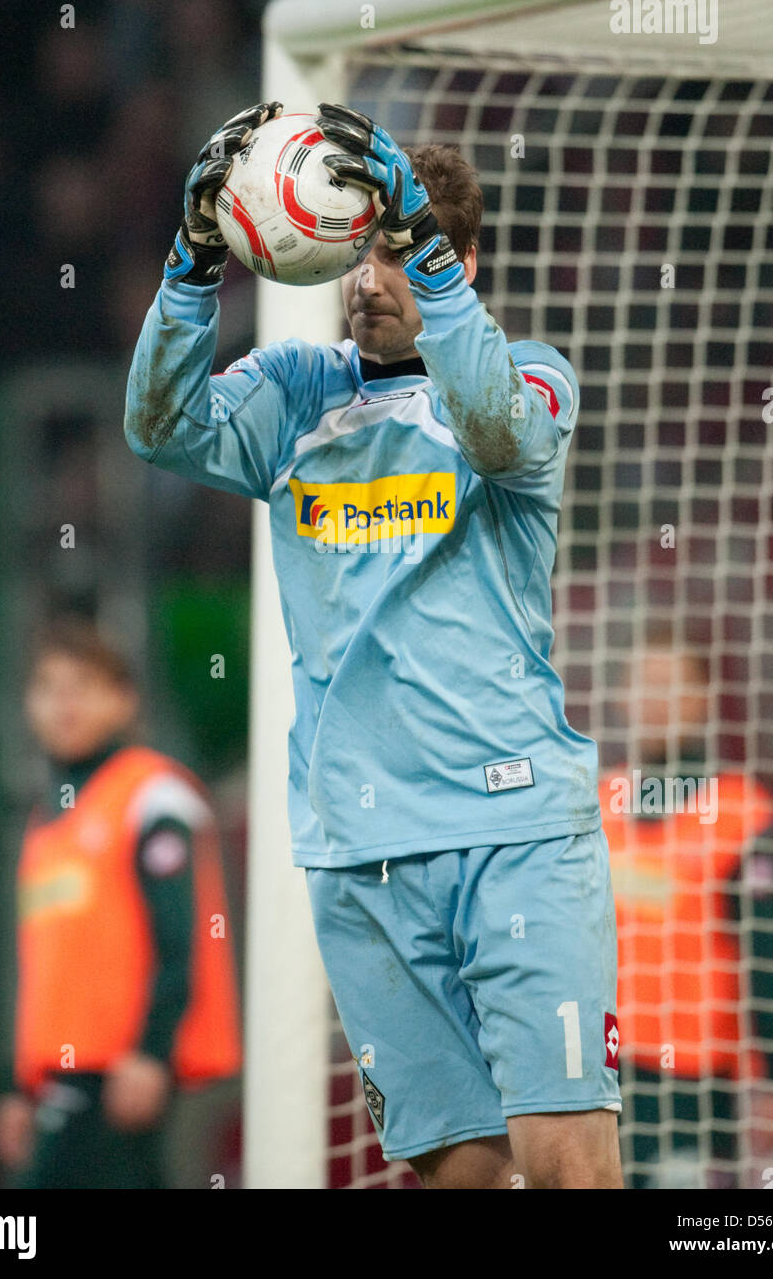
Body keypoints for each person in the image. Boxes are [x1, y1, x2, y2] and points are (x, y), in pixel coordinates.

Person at [125, 102, 622, 1188]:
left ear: (457, 259)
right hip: (361, 846)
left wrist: (425, 257)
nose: (368, 280)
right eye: (361, 254)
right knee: (458, 1169)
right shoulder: (298, 391)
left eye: (397, 254)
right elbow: (158, 428)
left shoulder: (530, 375)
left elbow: (497, 430)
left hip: (515, 827)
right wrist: (191, 268)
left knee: (565, 1154)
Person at [0, 619, 240, 1189]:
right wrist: (15, 1086)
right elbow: (40, 973)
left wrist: (151, 1054)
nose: (63, 702)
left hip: (116, 1073)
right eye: (47, 686)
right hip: (59, 1077)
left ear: (124, 701)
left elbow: (182, 939)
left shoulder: (151, 795)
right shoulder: (45, 821)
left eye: (83, 684)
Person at [601, 637, 773, 1187]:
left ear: (703, 698)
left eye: (670, 683)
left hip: (696, 1074)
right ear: (621, 695)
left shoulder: (740, 808)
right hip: (605, 1064)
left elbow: (766, 948)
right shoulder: (597, 799)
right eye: (643, 682)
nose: (654, 699)